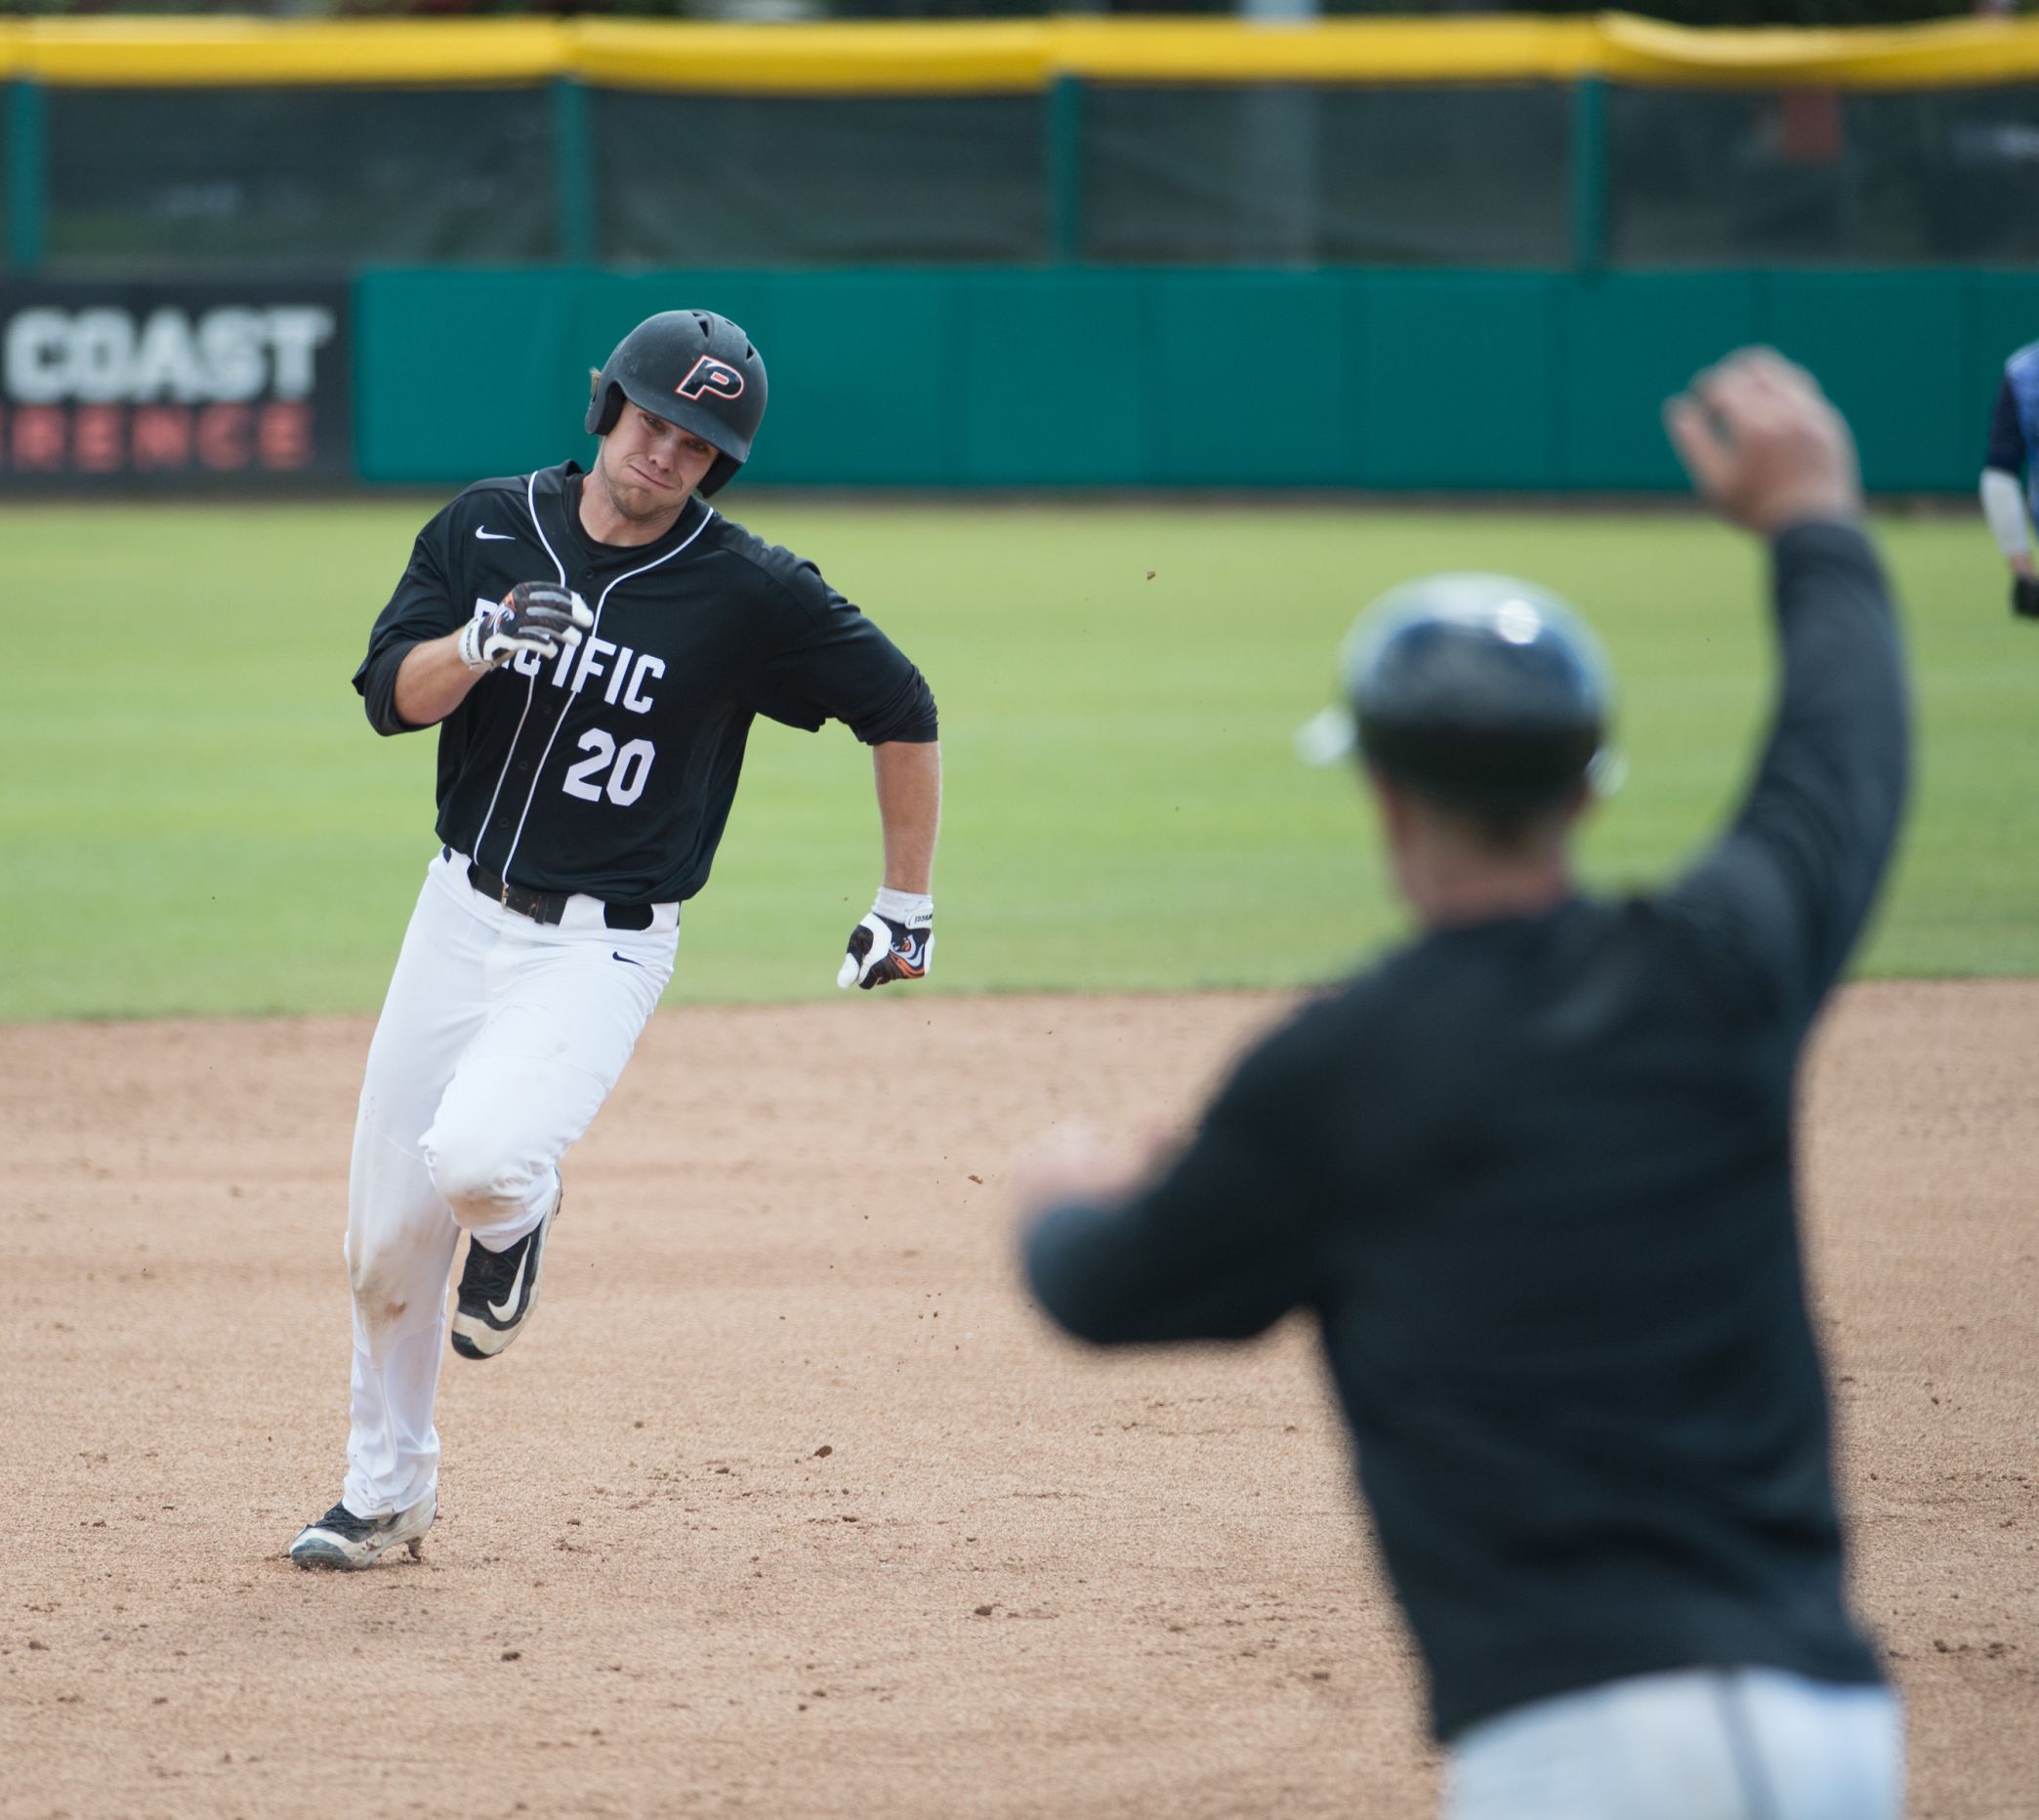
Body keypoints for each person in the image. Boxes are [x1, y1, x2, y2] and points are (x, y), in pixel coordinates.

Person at [1016, 350, 1908, 1819]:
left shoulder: (1334, 1075)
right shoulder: (1718, 971)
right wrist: (1814, 513)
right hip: (1822, 1712)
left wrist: (1065, 1196)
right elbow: (1840, 759)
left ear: (1378, 792)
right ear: (1584, 787)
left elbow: (1103, 1288)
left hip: (1579, 1751)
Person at [289, 310, 943, 1570]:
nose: (668, 454)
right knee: (382, 1244)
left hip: (602, 947)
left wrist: (903, 906)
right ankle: (386, 1496)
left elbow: (900, 702)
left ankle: (520, 1211)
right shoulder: (484, 527)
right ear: (607, 410)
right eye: (654, 421)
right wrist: (479, 644)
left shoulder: (747, 591)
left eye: (700, 444)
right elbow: (387, 697)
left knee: (478, 1163)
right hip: (455, 908)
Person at [1976, 335, 2039, 619]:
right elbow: (2000, 476)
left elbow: (1999, 476)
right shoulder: (2024, 373)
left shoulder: (2024, 371)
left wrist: (2021, 570)